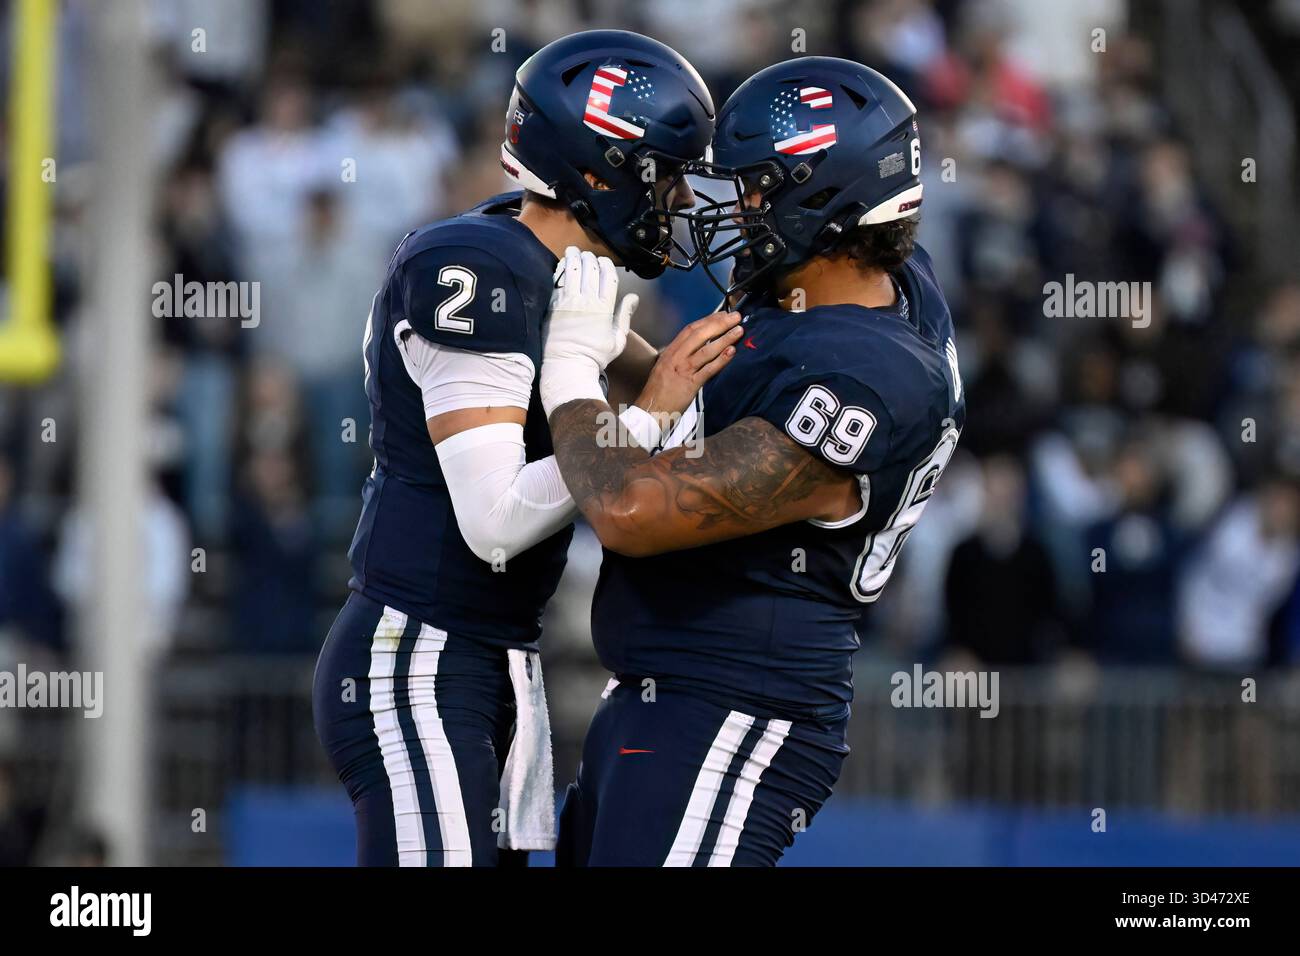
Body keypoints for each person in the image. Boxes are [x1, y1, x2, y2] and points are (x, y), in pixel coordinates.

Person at [541, 57, 966, 865]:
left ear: (830, 202)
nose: (738, 206)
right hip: (669, 692)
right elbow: (719, 396)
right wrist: (616, 347)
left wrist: (570, 372)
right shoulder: (873, 280)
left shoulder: (863, 378)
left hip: (733, 705)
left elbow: (630, 511)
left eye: (761, 188)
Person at [311, 30, 722, 867]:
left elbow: (684, 422)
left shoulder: (554, 266)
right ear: (600, 172)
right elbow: (493, 521)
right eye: (665, 176)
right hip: (420, 652)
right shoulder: (475, 266)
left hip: (488, 657)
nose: (679, 201)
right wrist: (643, 417)